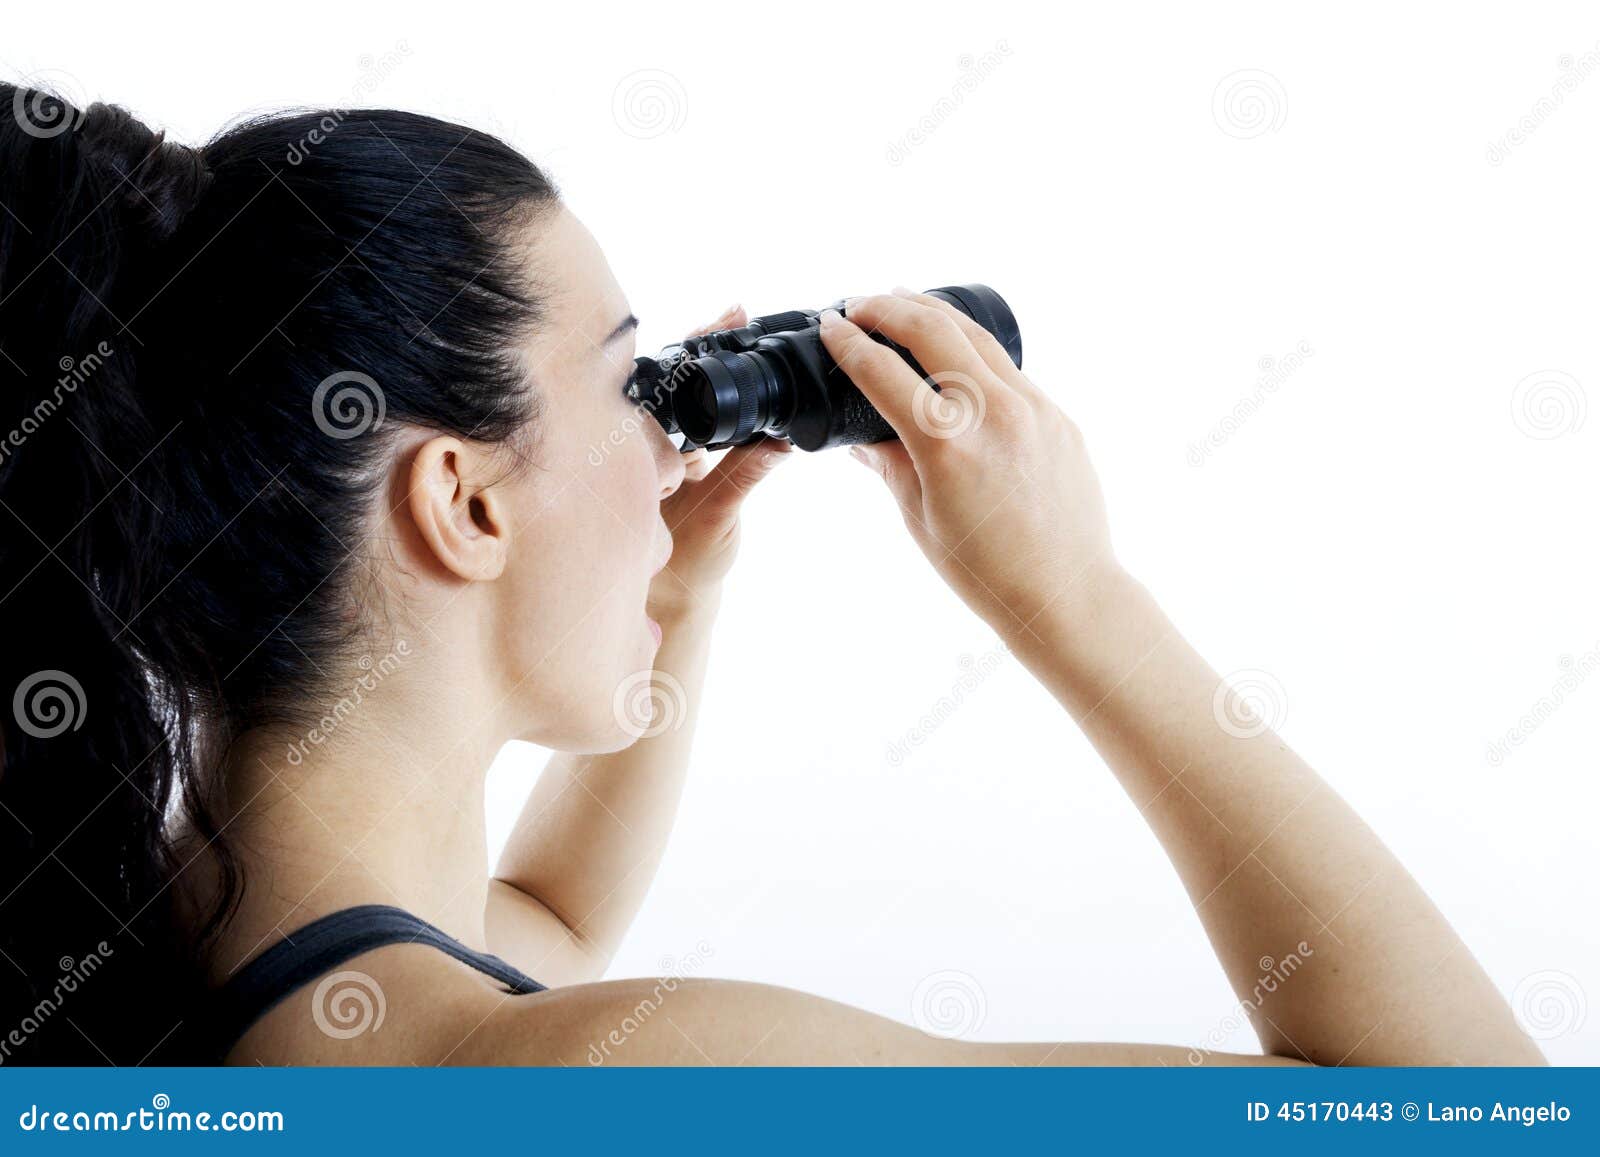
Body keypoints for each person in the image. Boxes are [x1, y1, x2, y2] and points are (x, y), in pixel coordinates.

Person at [0, 89, 1543, 1066]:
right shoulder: (636, 1079)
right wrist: (1073, 598)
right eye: (630, 383)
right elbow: (1456, 1106)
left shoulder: (185, 942)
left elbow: (538, 914)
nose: (662, 445)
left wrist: (677, 588)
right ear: (460, 497)